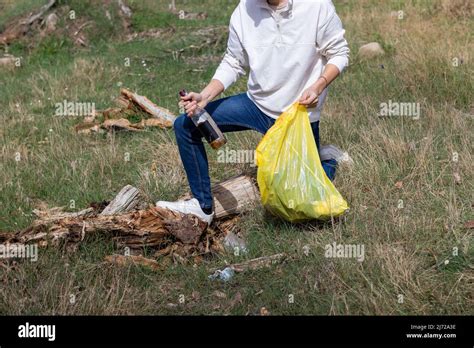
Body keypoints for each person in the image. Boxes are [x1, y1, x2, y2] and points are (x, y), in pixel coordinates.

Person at [157, 0, 350, 224]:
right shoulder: (244, 10)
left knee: (298, 202)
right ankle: (203, 207)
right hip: (256, 105)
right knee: (185, 125)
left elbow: (339, 53)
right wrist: (204, 96)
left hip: (298, 113)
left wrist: (318, 86)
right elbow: (233, 61)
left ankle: (329, 161)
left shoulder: (316, 5)